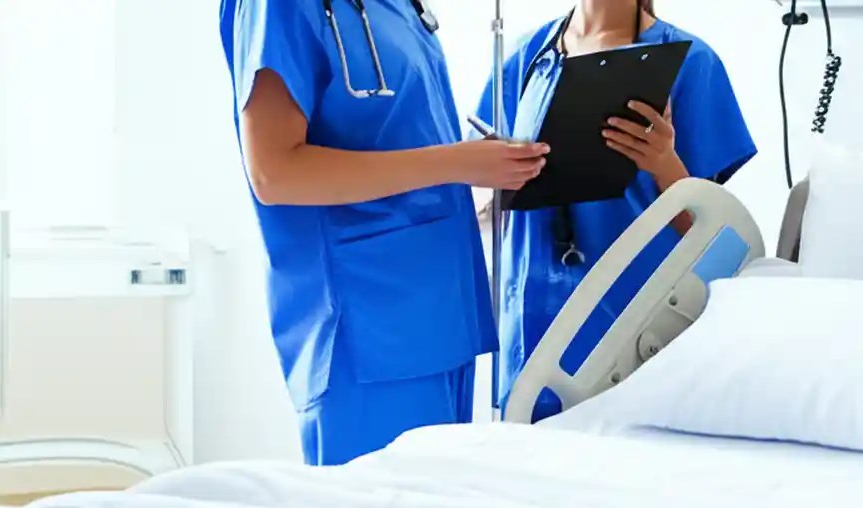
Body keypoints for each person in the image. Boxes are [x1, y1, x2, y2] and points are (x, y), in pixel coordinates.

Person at [219, 0, 550, 466]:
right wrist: (458, 161)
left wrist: (479, 162)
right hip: (366, 323)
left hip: (440, 312)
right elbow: (275, 172)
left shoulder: (397, 7)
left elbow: (397, 134)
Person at [474, 0, 757, 422]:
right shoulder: (527, 56)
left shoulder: (691, 62)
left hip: (631, 324)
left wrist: (665, 163)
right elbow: (491, 189)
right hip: (532, 323)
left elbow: (710, 237)